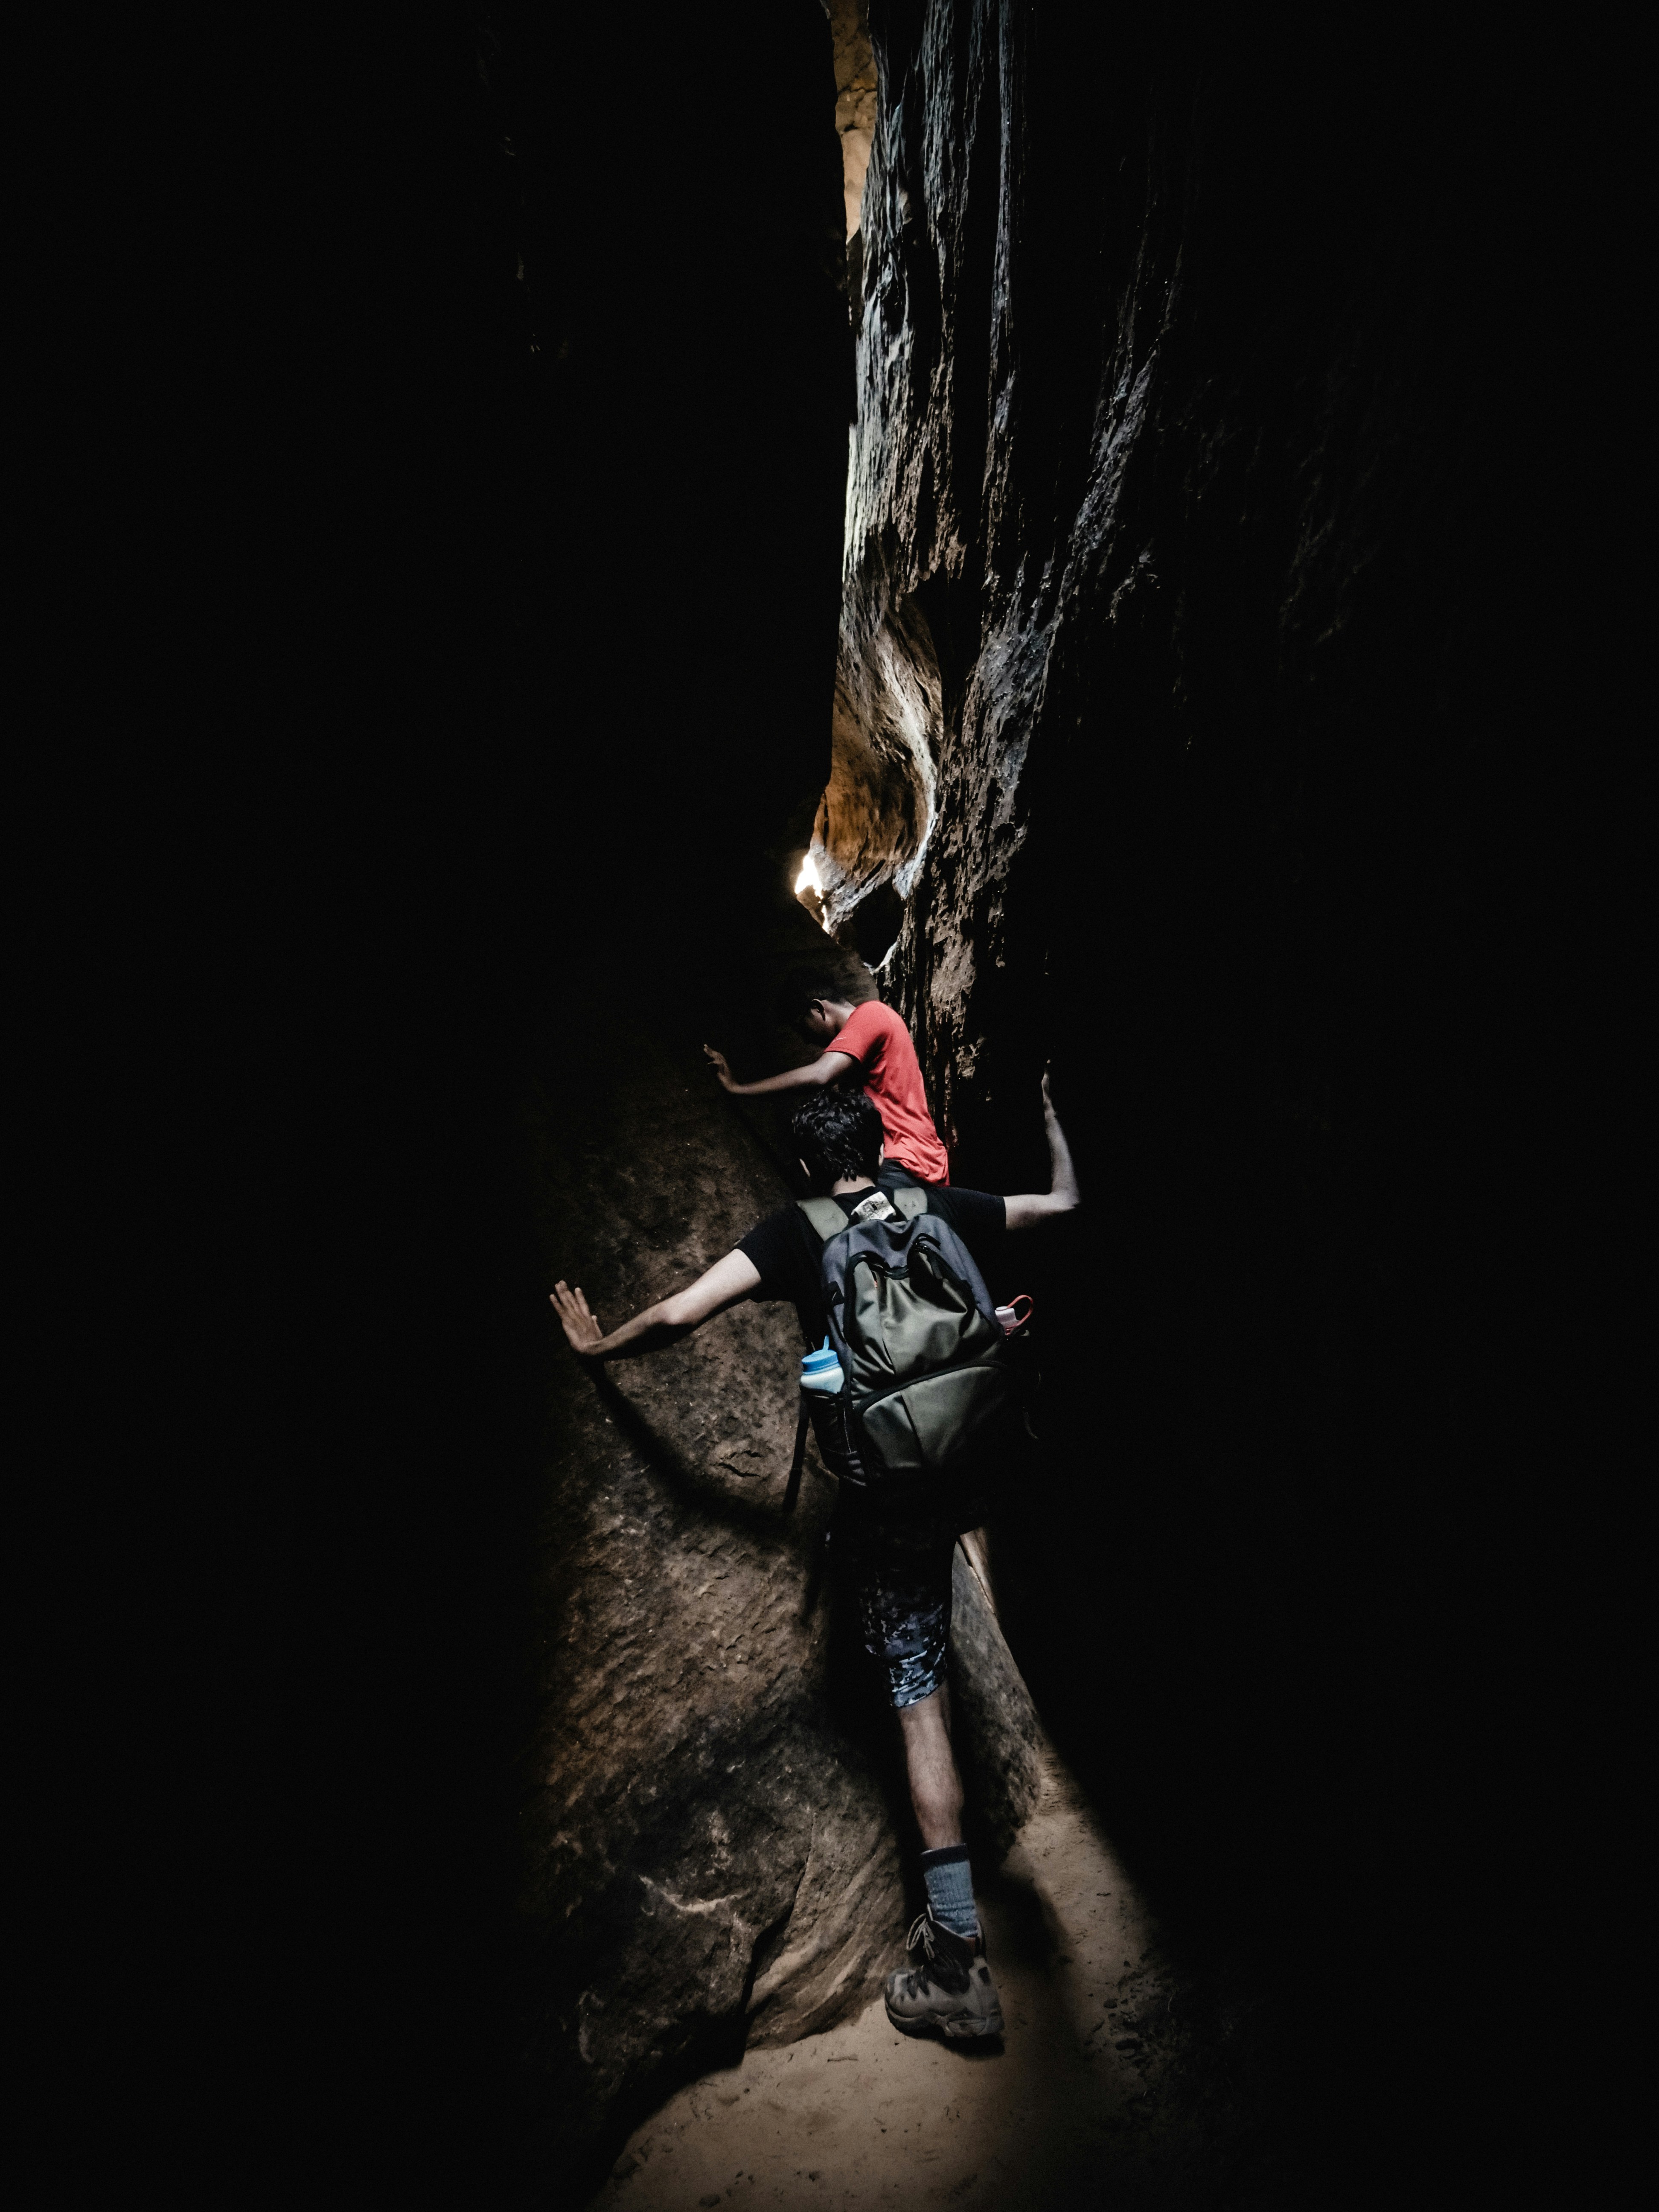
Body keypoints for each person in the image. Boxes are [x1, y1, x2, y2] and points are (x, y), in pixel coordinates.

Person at [550, 1073, 1080, 2042]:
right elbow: (1062, 1206)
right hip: (964, 1470)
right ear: (875, 1142)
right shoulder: (932, 1202)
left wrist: (597, 1346)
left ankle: (957, 1961)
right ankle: (960, 1916)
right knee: (935, 1661)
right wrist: (1052, 1122)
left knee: (919, 1706)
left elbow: (681, 1312)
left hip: (886, 1498)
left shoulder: (795, 1230)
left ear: (803, 1165)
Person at [703, 966, 950, 1186]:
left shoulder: (871, 1014)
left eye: (802, 1026)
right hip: (907, 1161)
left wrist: (738, 1089)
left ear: (818, 1008)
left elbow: (821, 1074)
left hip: (904, 1161)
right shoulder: (856, 1057)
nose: (805, 1040)